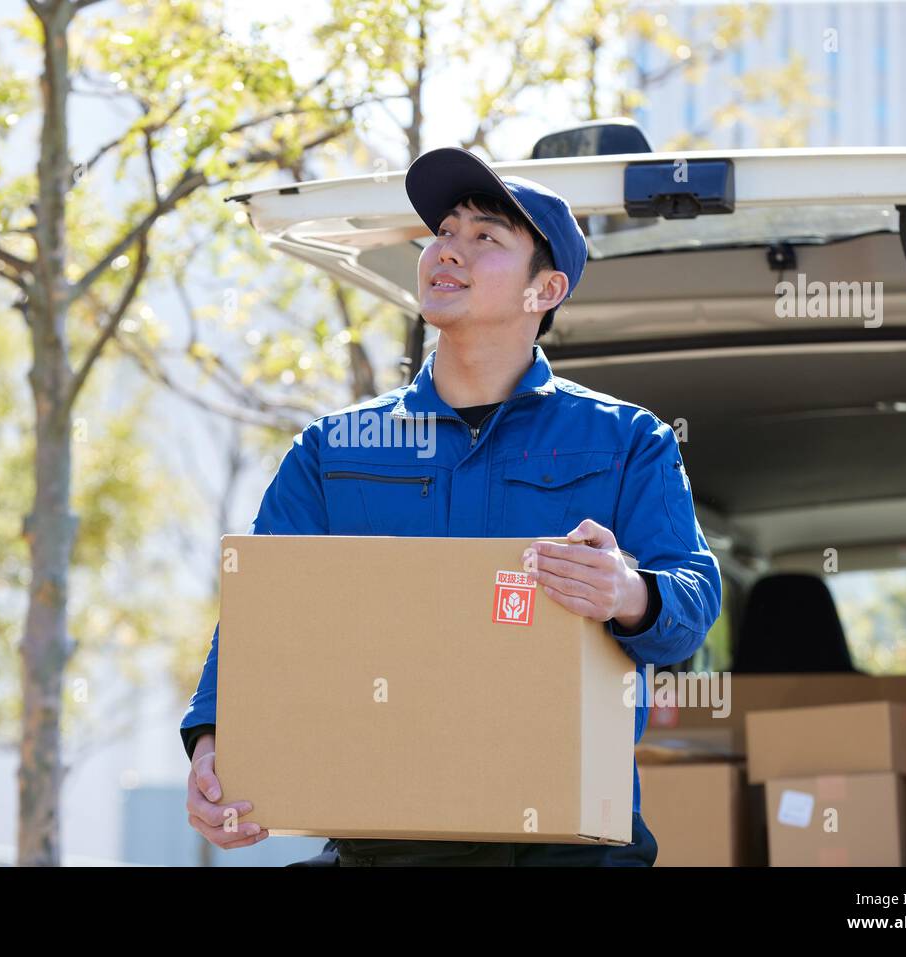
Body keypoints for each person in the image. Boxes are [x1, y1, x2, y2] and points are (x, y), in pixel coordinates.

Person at [181, 146, 723, 866]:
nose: (448, 250)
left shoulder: (628, 442)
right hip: (381, 840)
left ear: (546, 289)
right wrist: (215, 743)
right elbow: (262, 613)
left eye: (486, 237)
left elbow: (692, 594)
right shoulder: (335, 448)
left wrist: (629, 592)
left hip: (564, 847)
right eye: (443, 230)